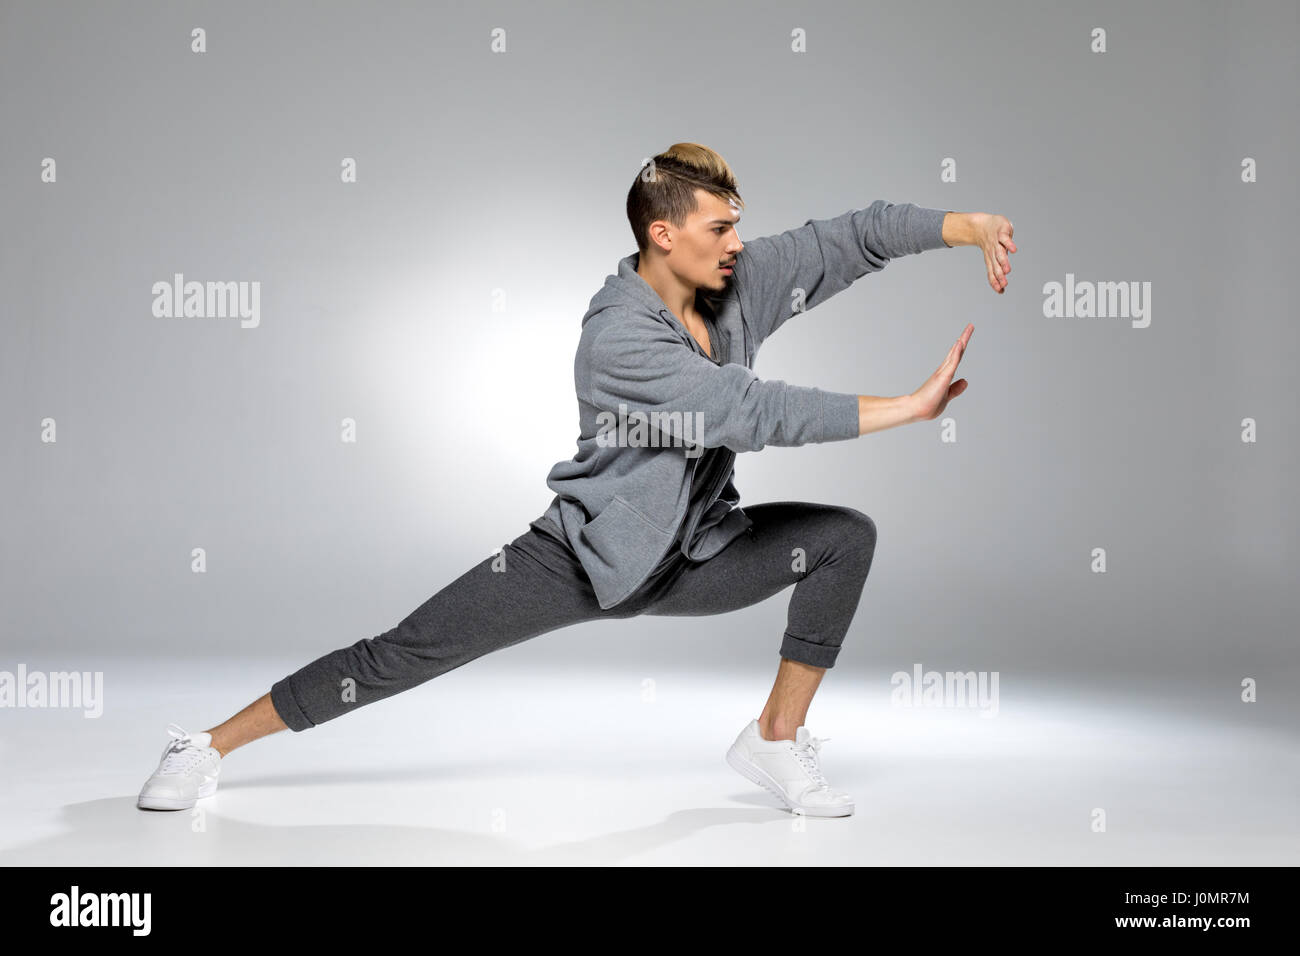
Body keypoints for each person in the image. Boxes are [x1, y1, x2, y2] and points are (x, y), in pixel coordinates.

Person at [137, 142, 1016, 818]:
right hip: (584, 560)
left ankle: (775, 739)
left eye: (737, 225)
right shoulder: (619, 338)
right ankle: (205, 746)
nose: (738, 243)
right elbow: (749, 412)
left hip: (696, 558)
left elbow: (853, 236)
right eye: (719, 228)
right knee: (401, 653)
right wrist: (908, 407)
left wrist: (967, 226)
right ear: (662, 235)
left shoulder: (736, 283)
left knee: (843, 541)